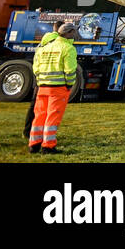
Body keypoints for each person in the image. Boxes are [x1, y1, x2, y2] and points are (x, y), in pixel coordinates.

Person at [29, 22, 78, 155]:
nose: (75, 34)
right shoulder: (68, 48)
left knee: (39, 116)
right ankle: (48, 146)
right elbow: (70, 70)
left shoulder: (44, 48)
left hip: (42, 87)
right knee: (52, 117)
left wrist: (40, 82)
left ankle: (34, 144)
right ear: (68, 33)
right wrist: (69, 84)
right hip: (58, 88)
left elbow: (36, 68)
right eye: (73, 32)